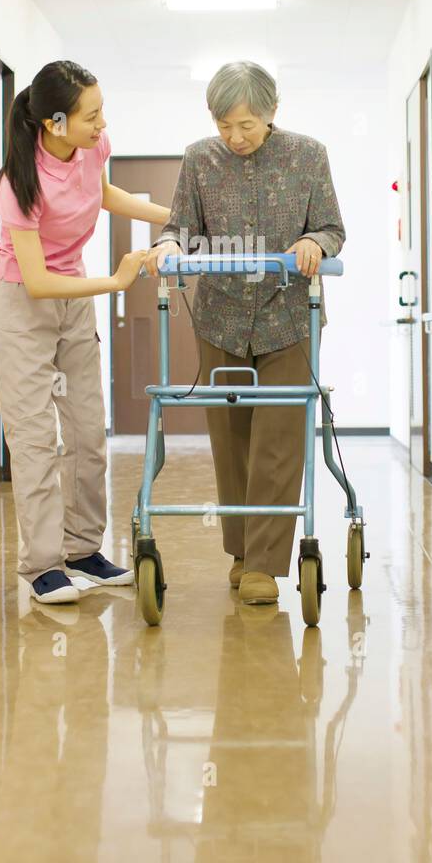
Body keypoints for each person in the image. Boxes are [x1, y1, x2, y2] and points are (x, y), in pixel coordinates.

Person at [147, 61, 345, 606]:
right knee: (230, 438)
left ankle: (263, 565)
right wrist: (168, 248)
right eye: (224, 126)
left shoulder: (308, 156)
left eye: (247, 126)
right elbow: (179, 230)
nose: (235, 138)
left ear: (272, 113)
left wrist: (316, 243)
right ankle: (240, 551)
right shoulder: (199, 159)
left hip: (288, 318)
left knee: (278, 439)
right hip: (222, 316)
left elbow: (332, 226)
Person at [0, 60, 171, 604]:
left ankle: (83, 548)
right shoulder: (18, 183)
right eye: (91, 115)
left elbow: (104, 196)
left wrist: (174, 214)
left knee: (89, 430)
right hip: (22, 304)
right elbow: (38, 283)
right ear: (54, 123)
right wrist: (114, 281)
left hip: (72, 302)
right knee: (37, 439)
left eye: (101, 111)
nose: (101, 123)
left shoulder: (94, 147)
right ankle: (43, 565)